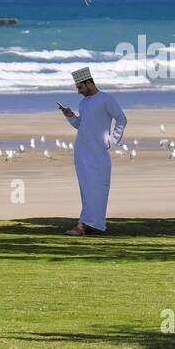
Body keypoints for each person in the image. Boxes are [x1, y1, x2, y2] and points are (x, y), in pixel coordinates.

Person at [59, 67, 126, 236]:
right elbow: (81, 125)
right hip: (82, 151)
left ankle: (86, 224)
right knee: (86, 188)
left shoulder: (106, 99)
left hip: (99, 152)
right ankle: (90, 224)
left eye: (80, 87)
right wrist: (70, 116)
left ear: (89, 83)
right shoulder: (83, 103)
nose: (79, 91)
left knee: (98, 188)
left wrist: (112, 140)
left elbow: (121, 119)